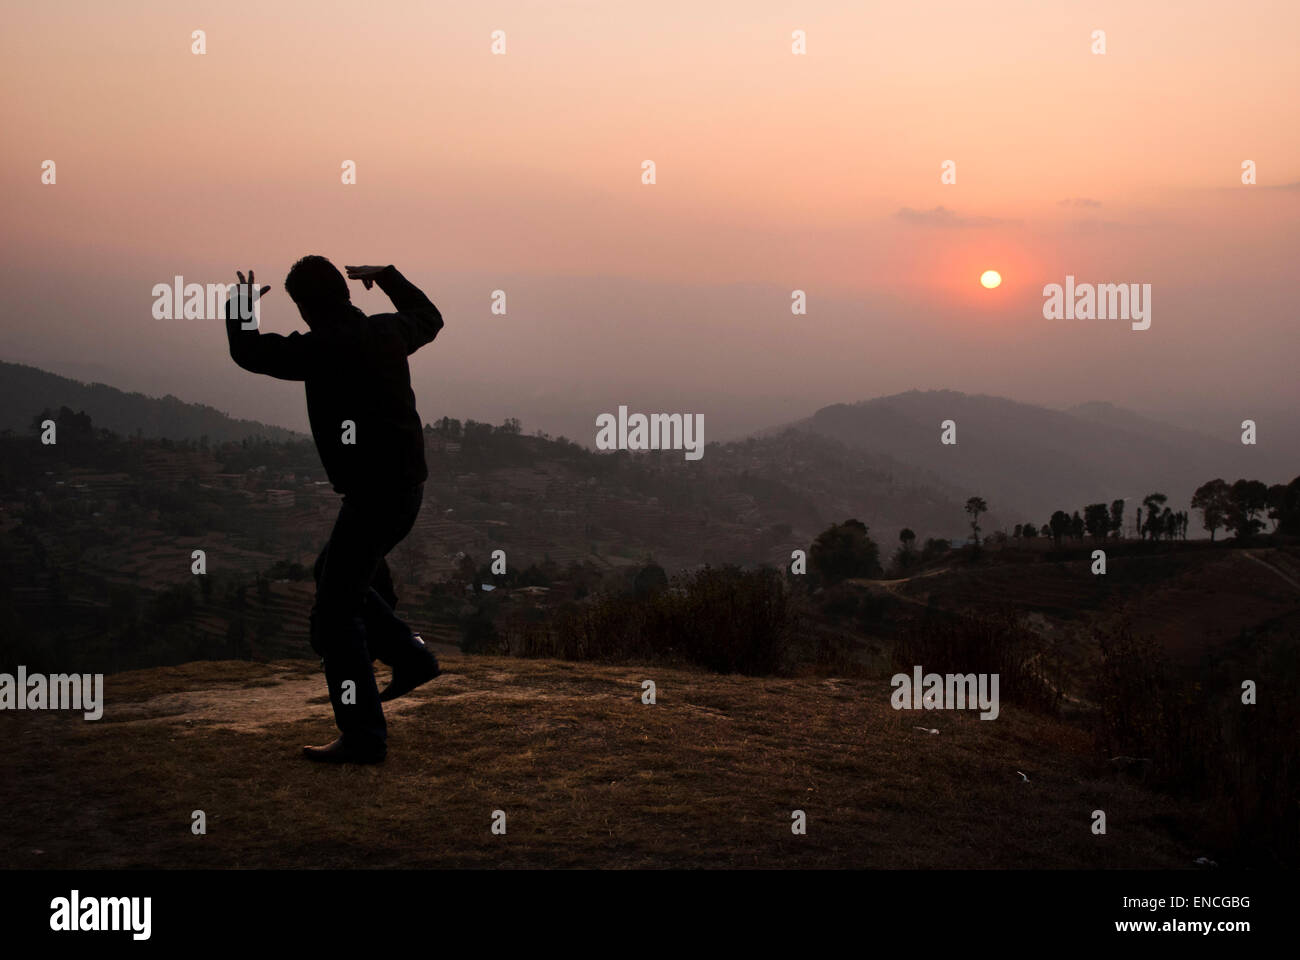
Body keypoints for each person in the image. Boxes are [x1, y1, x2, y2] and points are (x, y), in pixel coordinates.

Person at [225, 258, 443, 764]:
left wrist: (239, 309)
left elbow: (252, 353)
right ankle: (411, 657)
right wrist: (387, 275)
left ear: (303, 306)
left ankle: (365, 736)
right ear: (344, 293)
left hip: (373, 499)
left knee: (336, 613)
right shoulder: (386, 332)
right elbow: (428, 315)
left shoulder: (319, 348)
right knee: (335, 575)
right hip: (406, 492)